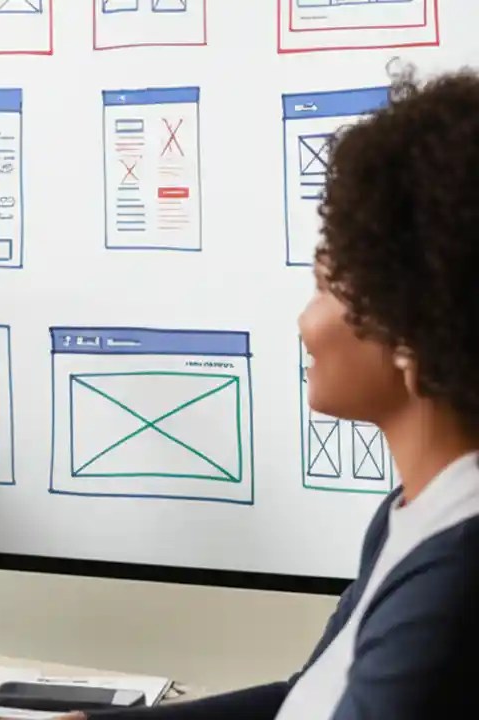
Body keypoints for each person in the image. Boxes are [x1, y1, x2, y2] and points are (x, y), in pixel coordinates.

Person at [57, 65, 479, 720]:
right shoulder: (416, 513)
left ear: (407, 324)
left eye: (326, 286)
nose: (304, 321)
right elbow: (300, 701)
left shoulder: (456, 576)